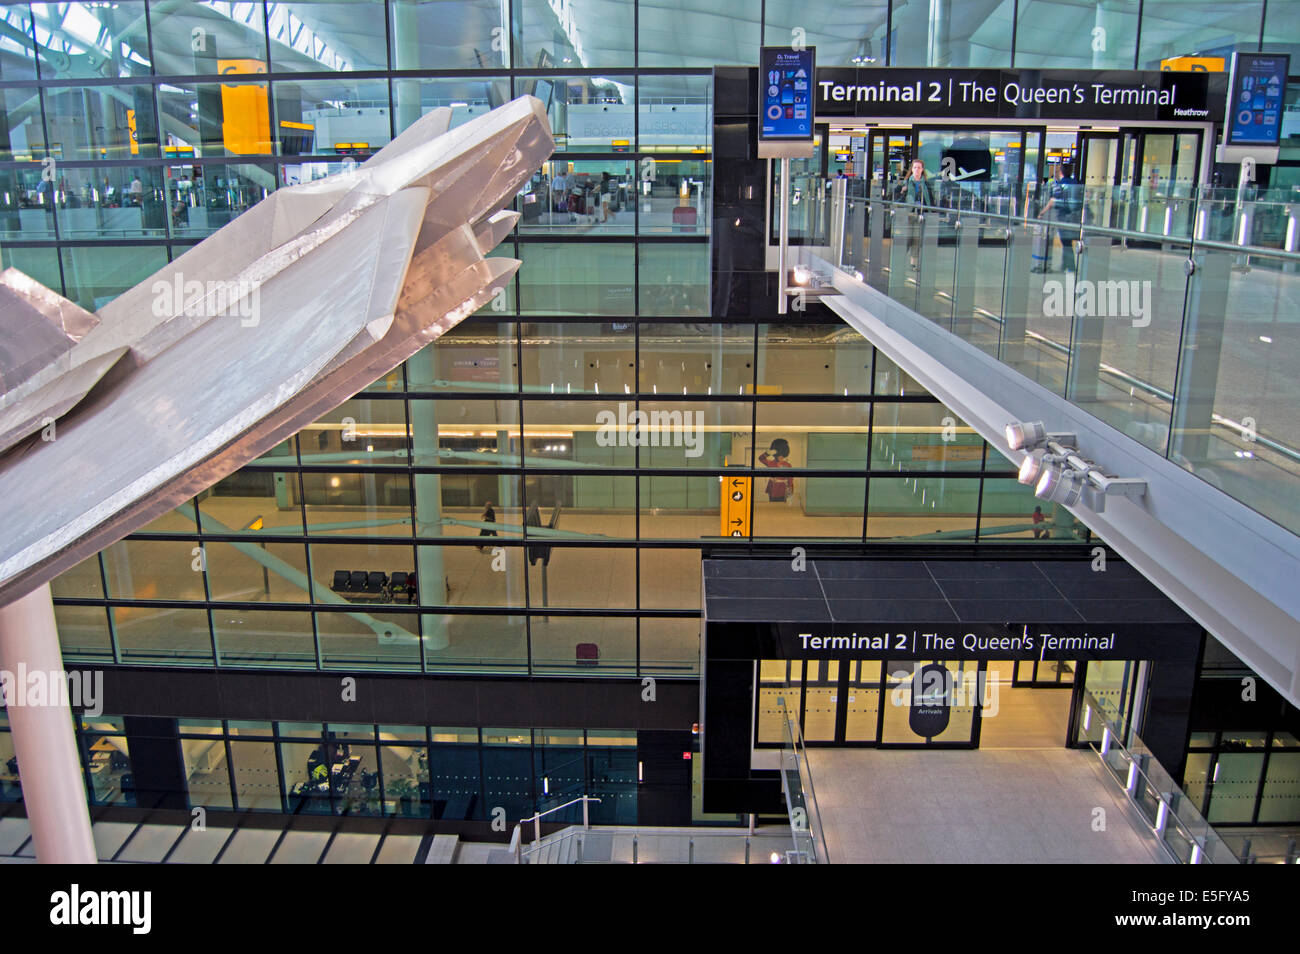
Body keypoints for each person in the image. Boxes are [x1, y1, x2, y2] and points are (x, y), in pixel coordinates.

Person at [1039, 162, 1082, 272]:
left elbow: (1052, 201)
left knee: (1066, 242)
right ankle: (1065, 265)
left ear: (1061, 172)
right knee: (1067, 242)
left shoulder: (1060, 185)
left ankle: (1071, 266)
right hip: (1075, 217)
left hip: (1064, 217)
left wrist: (1042, 213)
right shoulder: (1076, 183)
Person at [895, 158, 935, 270]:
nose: (917, 170)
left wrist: (931, 212)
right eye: (915, 167)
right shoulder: (906, 182)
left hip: (920, 215)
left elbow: (930, 200)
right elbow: (895, 195)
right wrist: (902, 191)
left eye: (919, 167)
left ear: (922, 170)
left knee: (917, 240)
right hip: (908, 214)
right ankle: (899, 260)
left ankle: (913, 263)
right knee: (907, 238)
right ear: (911, 169)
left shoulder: (926, 184)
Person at [758, 438, 795, 503]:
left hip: (782, 489)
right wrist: (768, 453)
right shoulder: (771, 463)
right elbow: (761, 458)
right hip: (772, 488)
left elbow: (790, 480)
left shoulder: (787, 465)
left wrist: (790, 493)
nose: (781, 457)